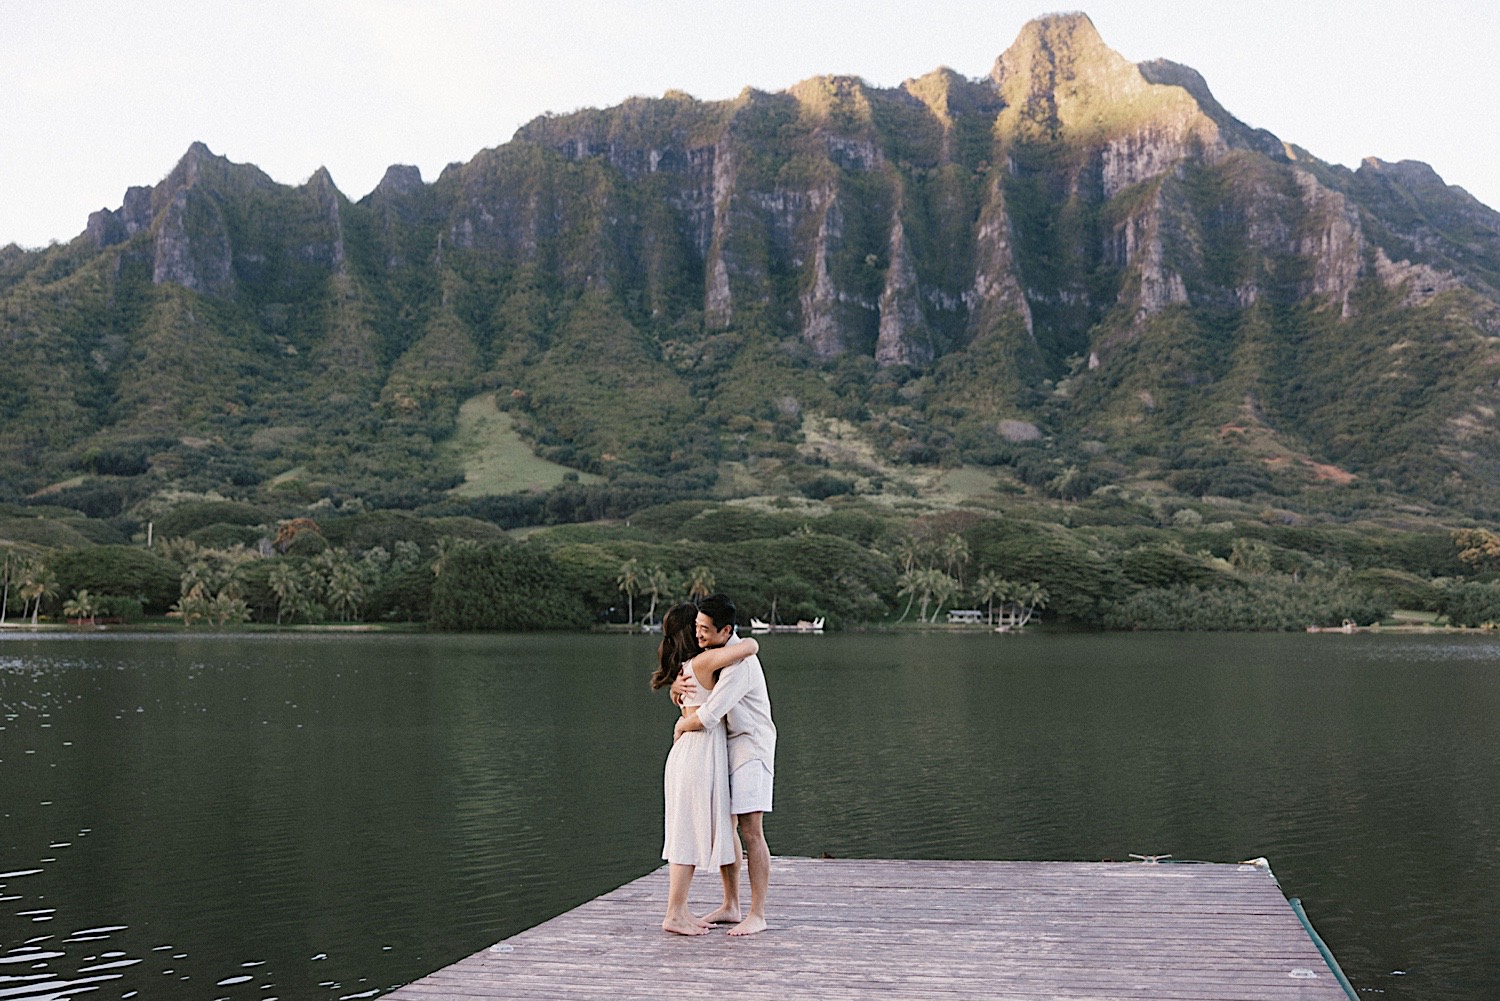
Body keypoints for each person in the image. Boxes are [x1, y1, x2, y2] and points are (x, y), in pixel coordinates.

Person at [651, 602, 761, 936]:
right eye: (697, 626)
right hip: (696, 753)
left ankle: (685, 909)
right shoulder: (704, 661)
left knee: (687, 830)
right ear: (691, 632)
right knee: (686, 832)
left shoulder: (688, 665)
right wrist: (685, 724)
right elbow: (749, 647)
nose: (702, 631)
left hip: (692, 753)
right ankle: (675, 912)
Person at [671, 592, 776, 937]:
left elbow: (710, 714)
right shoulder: (718, 655)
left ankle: (756, 913)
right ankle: (730, 905)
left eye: (704, 629)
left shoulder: (739, 665)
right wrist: (678, 686)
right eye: (696, 627)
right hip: (725, 749)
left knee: (751, 830)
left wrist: (682, 724)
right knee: (728, 826)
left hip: (751, 749)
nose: (697, 634)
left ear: (725, 629)